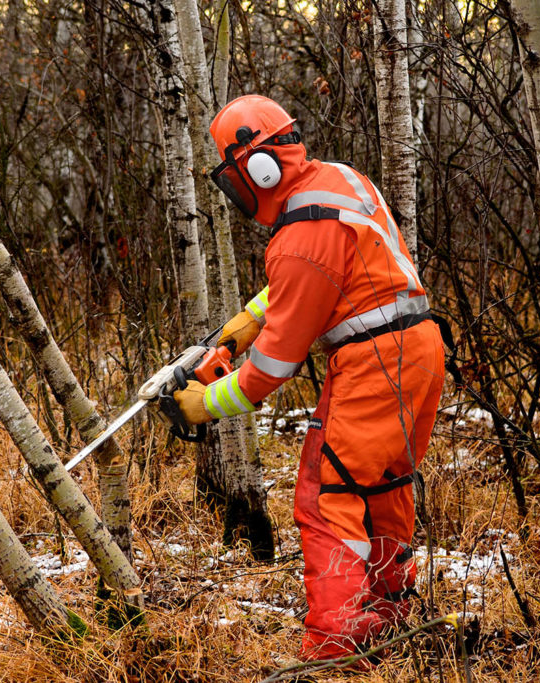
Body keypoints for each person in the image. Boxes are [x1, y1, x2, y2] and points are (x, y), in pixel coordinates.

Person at [174, 94, 446, 662]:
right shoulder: (339, 182)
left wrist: (206, 405)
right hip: (419, 347)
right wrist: (249, 319)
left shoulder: (297, 238)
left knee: (329, 492)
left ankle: (337, 636)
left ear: (256, 169)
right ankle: (391, 607)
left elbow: (272, 368)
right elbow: (330, 268)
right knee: (383, 483)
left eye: (233, 176)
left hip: (374, 363)